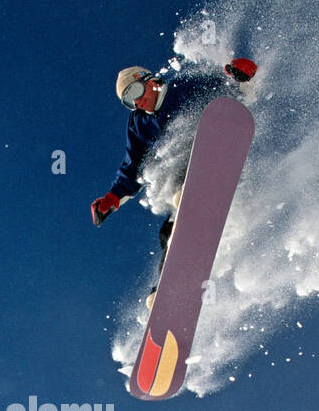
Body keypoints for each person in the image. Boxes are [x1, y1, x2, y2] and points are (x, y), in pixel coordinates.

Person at [91, 58, 257, 303]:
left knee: (179, 151)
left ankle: (196, 189)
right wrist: (113, 197)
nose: (137, 102)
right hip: (187, 178)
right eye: (129, 102)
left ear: (149, 81)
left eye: (134, 92)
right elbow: (133, 164)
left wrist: (238, 77)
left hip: (215, 150)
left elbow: (231, 90)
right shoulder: (139, 123)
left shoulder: (184, 85)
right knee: (168, 231)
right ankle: (168, 289)